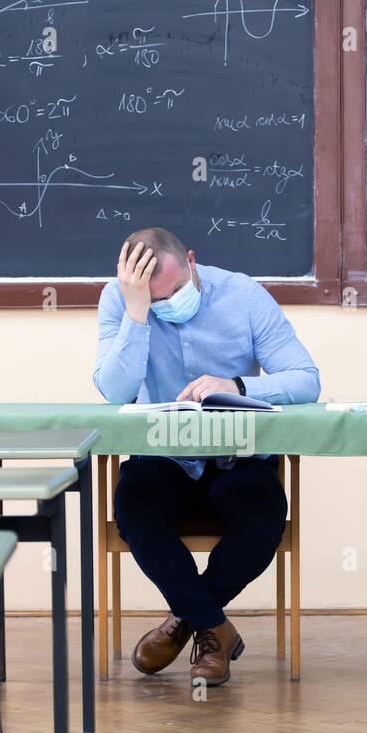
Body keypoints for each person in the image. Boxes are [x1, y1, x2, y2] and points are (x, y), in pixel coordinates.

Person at [93, 227, 320, 685]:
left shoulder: (242, 295)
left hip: (237, 455)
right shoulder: (121, 300)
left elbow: (306, 381)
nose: (168, 303)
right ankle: (215, 628)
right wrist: (137, 313)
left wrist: (237, 386)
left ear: (191, 261)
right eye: (157, 299)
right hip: (163, 455)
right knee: (134, 512)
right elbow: (113, 391)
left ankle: (186, 620)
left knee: (263, 517)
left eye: (174, 290)